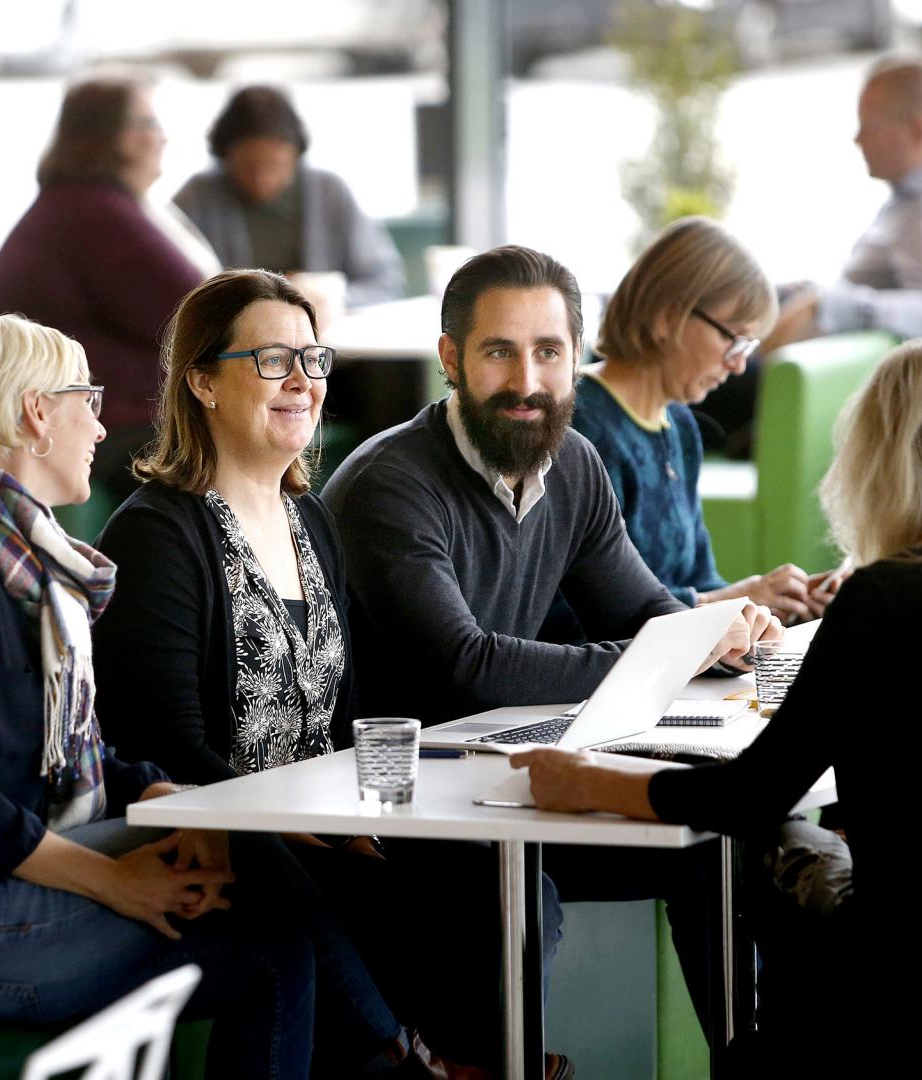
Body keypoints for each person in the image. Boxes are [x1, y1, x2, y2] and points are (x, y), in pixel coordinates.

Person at [0, 312, 475, 1079]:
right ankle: (405, 1063)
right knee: (269, 947)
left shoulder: (30, 571)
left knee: (258, 892)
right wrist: (117, 882)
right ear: (35, 413)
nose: (100, 425)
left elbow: (70, 758)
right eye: (85, 400)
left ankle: (403, 1058)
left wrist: (174, 800)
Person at [513, 337, 922, 1070]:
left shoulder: (893, 594)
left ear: (878, 455)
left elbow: (751, 796)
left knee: (750, 859)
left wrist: (586, 781)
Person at [89, 269, 568, 1078]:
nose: (303, 382)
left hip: (322, 820)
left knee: (508, 882)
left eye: (313, 360)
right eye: (272, 360)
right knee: (374, 902)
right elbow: (164, 745)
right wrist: (314, 829)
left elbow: (345, 718)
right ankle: (413, 1065)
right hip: (227, 835)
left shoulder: (309, 518)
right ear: (202, 381)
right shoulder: (159, 535)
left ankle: (469, 1059)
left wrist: (362, 822)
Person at [322, 244, 780, 1044]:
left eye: (549, 352)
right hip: (397, 810)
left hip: (504, 783)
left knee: (719, 847)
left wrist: (729, 636)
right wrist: (670, 653)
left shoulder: (573, 463)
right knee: (518, 902)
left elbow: (645, 610)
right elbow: (466, 668)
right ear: (451, 360)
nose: (528, 381)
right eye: (500, 352)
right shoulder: (391, 484)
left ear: (576, 357)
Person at [700, 55, 922, 455]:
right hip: (810, 369)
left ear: (916, 130)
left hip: (813, 379)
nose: (858, 139)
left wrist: (831, 304)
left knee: (674, 368)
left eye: (869, 126)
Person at [563, 216, 839, 625]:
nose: (739, 364)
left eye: (747, 346)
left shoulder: (679, 426)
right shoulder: (581, 426)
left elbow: (700, 579)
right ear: (667, 317)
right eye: (733, 338)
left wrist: (772, 606)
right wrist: (734, 599)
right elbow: (582, 612)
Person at [0, 77, 212, 497]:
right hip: (68, 425)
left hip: (65, 415)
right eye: (149, 123)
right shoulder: (95, 212)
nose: (163, 137)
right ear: (113, 136)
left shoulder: (82, 204)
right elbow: (210, 316)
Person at [174, 85, 406, 314]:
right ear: (225, 158)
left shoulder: (330, 193)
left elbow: (385, 281)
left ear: (296, 155)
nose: (262, 180)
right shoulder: (196, 198)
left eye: (275, 165)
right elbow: (172, 293)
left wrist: (333, 300)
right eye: (247, 166)